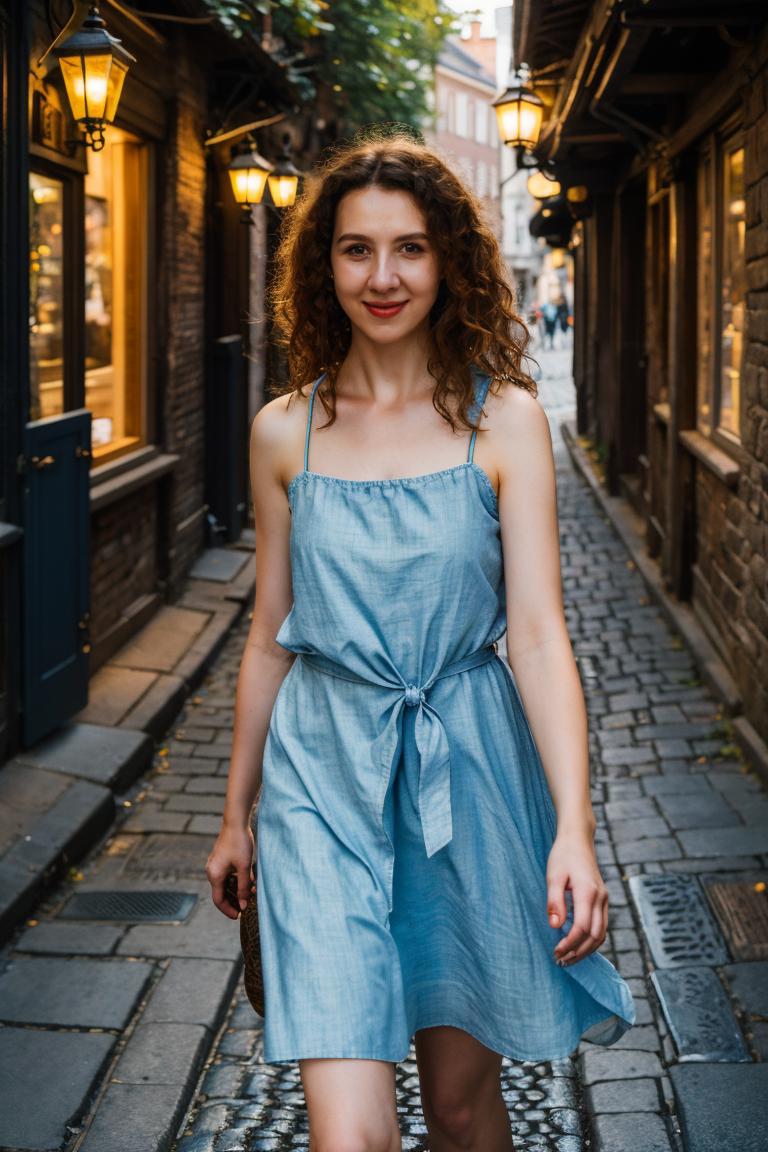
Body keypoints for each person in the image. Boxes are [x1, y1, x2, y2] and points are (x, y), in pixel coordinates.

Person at [206, 130, 636, 1152]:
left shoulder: (509, 423)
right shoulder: (284, 432)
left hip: (470, 773)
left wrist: (572, 826)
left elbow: (536, 636)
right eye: (356, 250)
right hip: (321, 781)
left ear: (450, 260)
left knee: (456, 1105)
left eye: (410, 248)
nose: (383, 277)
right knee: (350, 1135)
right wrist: (236, 816)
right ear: (326, 266)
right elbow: (270, 636)